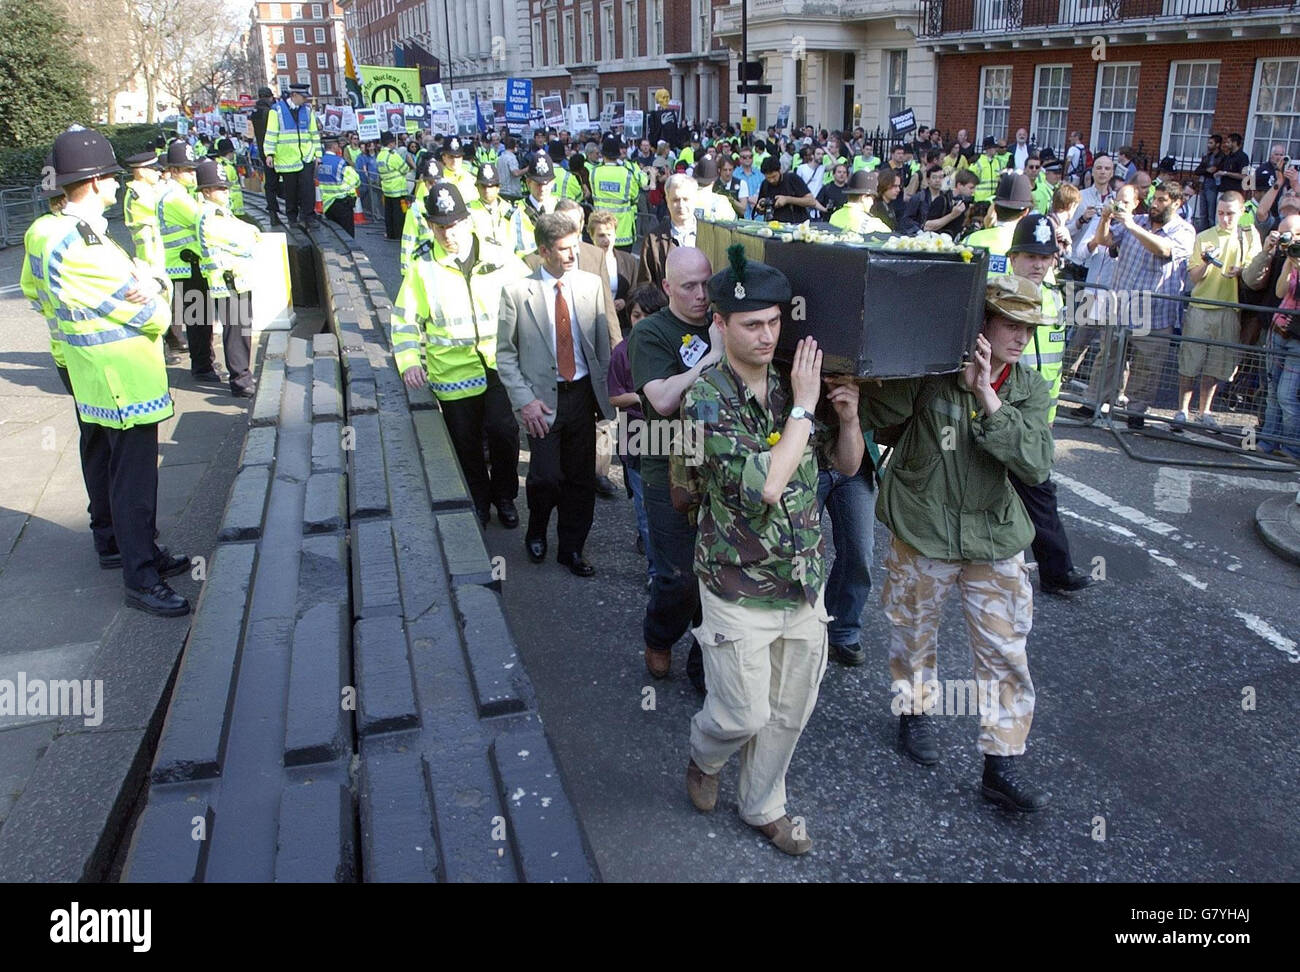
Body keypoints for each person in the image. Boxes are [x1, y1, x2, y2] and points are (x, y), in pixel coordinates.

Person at [681, 249, 863, 857]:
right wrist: (807, 409)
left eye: (775, 322)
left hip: (803, 581)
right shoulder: (704, 400)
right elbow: (766, 483)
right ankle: (704, 757)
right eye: (751, 324)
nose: (767, 335)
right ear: (723, 325)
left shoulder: (792, 382)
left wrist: (848, 418)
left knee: (787, 712)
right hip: (737, 584)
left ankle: (764, 805)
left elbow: (845, 466)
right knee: (739, 714)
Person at [860, 275, 1054, 811]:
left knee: (1005, 649)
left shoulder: (1027, 388)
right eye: (1009, 324)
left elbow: (1036, 464)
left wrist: (986, 394)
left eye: (1027, 327)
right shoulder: (933, 372)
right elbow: (878, 413)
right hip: (924, 525)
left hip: (992, 533)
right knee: (913, 632)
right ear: (981, 324)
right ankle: (915, 711)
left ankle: (1002, 762)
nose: (1019, 336)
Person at [37, 127, 191, 616]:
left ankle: (111, 543)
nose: (120, 185)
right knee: (135, 480)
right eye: (112, 177)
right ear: (98, 181)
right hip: (122, 376)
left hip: (83, 369)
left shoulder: (43, 232)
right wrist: (156, 283)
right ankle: (141, 575)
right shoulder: (89, 247)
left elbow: (39, 295)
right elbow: (157, 317)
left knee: (99, 459)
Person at [394, 183, 529, 527]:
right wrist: (409, 363)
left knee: (504, 432)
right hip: (451, 374)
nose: (448, 233)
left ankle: (505, 495)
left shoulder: (499, 257)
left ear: (467, 221)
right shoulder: (422, 268)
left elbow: (529, 298)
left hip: (498, 364)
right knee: (466, 445)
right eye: (440, 226)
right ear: (430, 225)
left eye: (453, 224)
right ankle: (479, 500)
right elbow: (405, 320)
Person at [497, 212, 614, 576]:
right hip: (541, 402)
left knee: (580, 481)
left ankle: (572, 549)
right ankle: (536, 530)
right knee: (546, 477)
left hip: (581, 396)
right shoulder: (517, 293)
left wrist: (604, 394)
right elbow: (505, 354)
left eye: (575, 246)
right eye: (563, 249)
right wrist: (525, 401)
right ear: (543, 250)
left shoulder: (591, 285)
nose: (571, 255)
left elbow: (600, 347)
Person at [630, 247, 718, 691]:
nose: (701, 295)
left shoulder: (721, 320)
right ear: (667, 288)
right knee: (679, 576)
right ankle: (660, 635)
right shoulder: (652, 332)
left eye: (706, 283)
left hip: (717, 463)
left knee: (718, 573)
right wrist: (712, 357)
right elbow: (663, 400)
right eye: (689, 287)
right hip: (665, 462)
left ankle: (705, 663)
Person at [1097, 180, 1196, 429]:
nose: (1155, 204)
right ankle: (1093, 403)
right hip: (1120, 306)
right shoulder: (1139, 220)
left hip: (1154, 314)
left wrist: (1130, 225)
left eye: (1162, 200)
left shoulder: (1184, 231)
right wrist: (1105, 219)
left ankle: (1136, 412)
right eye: (1154, 198)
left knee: (1147, 366)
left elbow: (1163, 249)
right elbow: (1105, 241)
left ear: (1177, 203)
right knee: (1107, 358)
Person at [1179, 190, 1260, 426]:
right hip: (1201, 305)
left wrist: (1241, 271)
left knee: (1216, 364)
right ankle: (1182, 410)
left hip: (1230, 308)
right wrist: (1205, 262)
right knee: (1189, 362)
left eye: (1230, 214)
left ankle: (1205, 411)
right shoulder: (1204, 236)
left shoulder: (1248, 235)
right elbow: (1194, 277)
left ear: (1242, 212)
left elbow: (1255, 271)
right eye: (1220, 213)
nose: (1224, 219)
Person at [607, 283, 669, 583]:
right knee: (647, 510)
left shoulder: (671, 345)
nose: (641, 322)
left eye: (648, 315)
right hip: (636, 434)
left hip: (672, 434)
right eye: (635, 316)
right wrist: (646, 396)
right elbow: (614, 397)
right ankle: (656, 574)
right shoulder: (622, 352)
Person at [156, 140, 223, 384]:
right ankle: (202, 367)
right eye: (187, 170)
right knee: (199, 321)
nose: (193, 174)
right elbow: (204, 221)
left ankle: (204, 361)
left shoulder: (176, 193)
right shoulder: (176, 198)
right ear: (173, 171)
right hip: (187, 265)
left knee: (199, 320)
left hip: (185, 264)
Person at [194, 159, 258, 398]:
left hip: (236, 281)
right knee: (236, 334)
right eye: (220, 187)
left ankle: (243, 376)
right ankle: (241, 381)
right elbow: (246, 240)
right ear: (206, 191)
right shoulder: (210, 216)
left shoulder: (220, 212)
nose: (225, 191)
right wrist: (251, 235)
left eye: (226, 187)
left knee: (241, 331)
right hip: (228, 283)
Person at [1254, 216, 1300, 457]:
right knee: (1272, 392)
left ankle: (1293, 446)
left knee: (1286, 395)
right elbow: (1281, 291)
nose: (1288, 239)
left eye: (1292, 234)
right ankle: (1269, 441)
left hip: (1298, 339)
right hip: (1277, 331)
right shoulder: (1290, 258)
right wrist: (1289, 265)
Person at [263, 83, 320, 228]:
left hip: (306, 156)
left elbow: (314, 134)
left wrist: (318, 154)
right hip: (287, 159)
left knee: (308, 189)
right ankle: (292, 217)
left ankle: (308, 216)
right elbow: (271, 134)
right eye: (303, 97)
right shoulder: (276, 111)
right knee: (291, 190)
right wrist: (269, 153)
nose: (305, 100)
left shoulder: (307, 111)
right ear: (294, 95)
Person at [639, 173, 698, 291]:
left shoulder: (710, 235)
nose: (681, 205)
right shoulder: (652, 240)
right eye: (675, 200)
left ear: (695, 199)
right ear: (667, 200)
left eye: (686, 199)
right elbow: (645, 284)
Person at [590, 135, 640, 250]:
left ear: (603, 154)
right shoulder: (627, 174)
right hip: (623, 232)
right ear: (617, 154)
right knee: (624, 266)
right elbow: (635, 197)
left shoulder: (594, 173)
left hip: (600, 230)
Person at [250, 86, 282, 226]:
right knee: (284, 180)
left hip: (262, 150)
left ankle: (272, 212)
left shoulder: (255, 112)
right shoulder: (270, 112)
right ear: (270, 97)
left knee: (269, 182)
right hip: (274, 149)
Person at [317, 136, 360, 237]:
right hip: (341, 203)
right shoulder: (340, 162)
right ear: (334, 146)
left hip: (327, 204)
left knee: (334, 234)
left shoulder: (320, 162)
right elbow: (355, 180)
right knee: (347, 234)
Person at [753, 157, 816, 224]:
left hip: (796, 225)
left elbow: (811, 201)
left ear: (780, 171)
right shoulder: (765, 184)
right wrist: (760, 209)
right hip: (774, 226)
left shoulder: (792, 179)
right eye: (768, 178)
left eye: (774, 176)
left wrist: (787, 200)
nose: (771, 180)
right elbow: (760, 209)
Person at [376, 131, 411, 241]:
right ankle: (398, 234)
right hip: (398, 189)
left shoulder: (380, 156)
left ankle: (390, 233)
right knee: (399, 213)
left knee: (388, 213)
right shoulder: (393, 155)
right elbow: (405, 168)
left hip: (387, 188)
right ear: (390, 143)